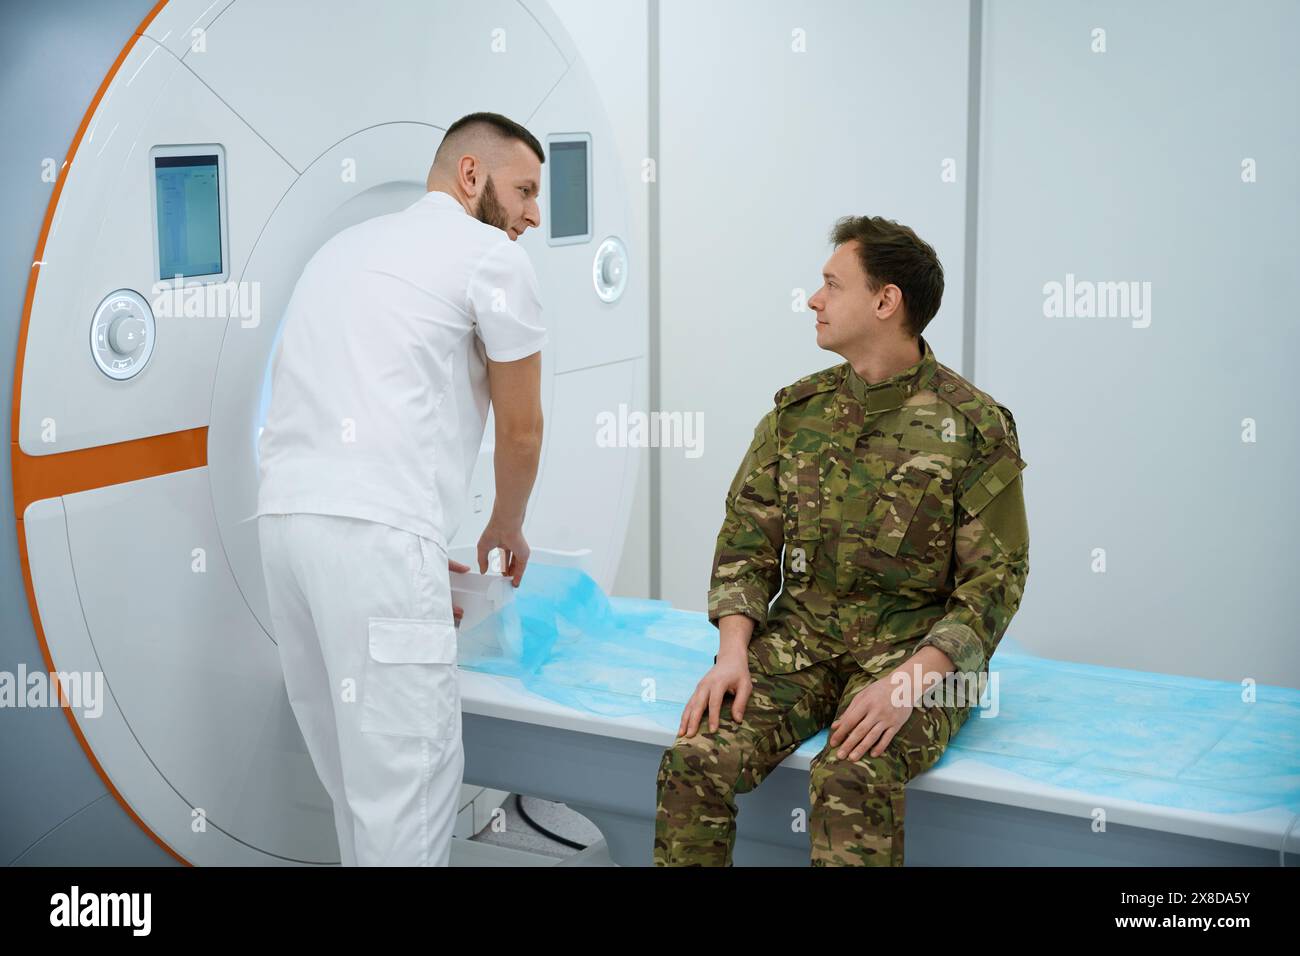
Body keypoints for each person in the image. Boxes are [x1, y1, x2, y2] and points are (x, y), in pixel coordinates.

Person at [655, 215, 1030, 866]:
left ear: (887, 302)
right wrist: (732, 653)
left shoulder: (974, 428)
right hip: (800, 648)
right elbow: (746, 541)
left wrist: (910, 682)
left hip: (915, 661)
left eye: (832, 284)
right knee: (695, 759)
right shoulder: (798, 414)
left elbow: (996, 582)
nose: (814, 299)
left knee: (850, 777)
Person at [255, 112, 548, 866]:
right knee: (408, 796)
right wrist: (504, 529)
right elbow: (522, 431)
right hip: (377, 544)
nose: (533, 214)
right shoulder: (492, 259)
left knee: (359, 792)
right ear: (471, 175)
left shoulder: (340, 250)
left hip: (286, 530)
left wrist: (412, 552)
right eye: (523, 189)